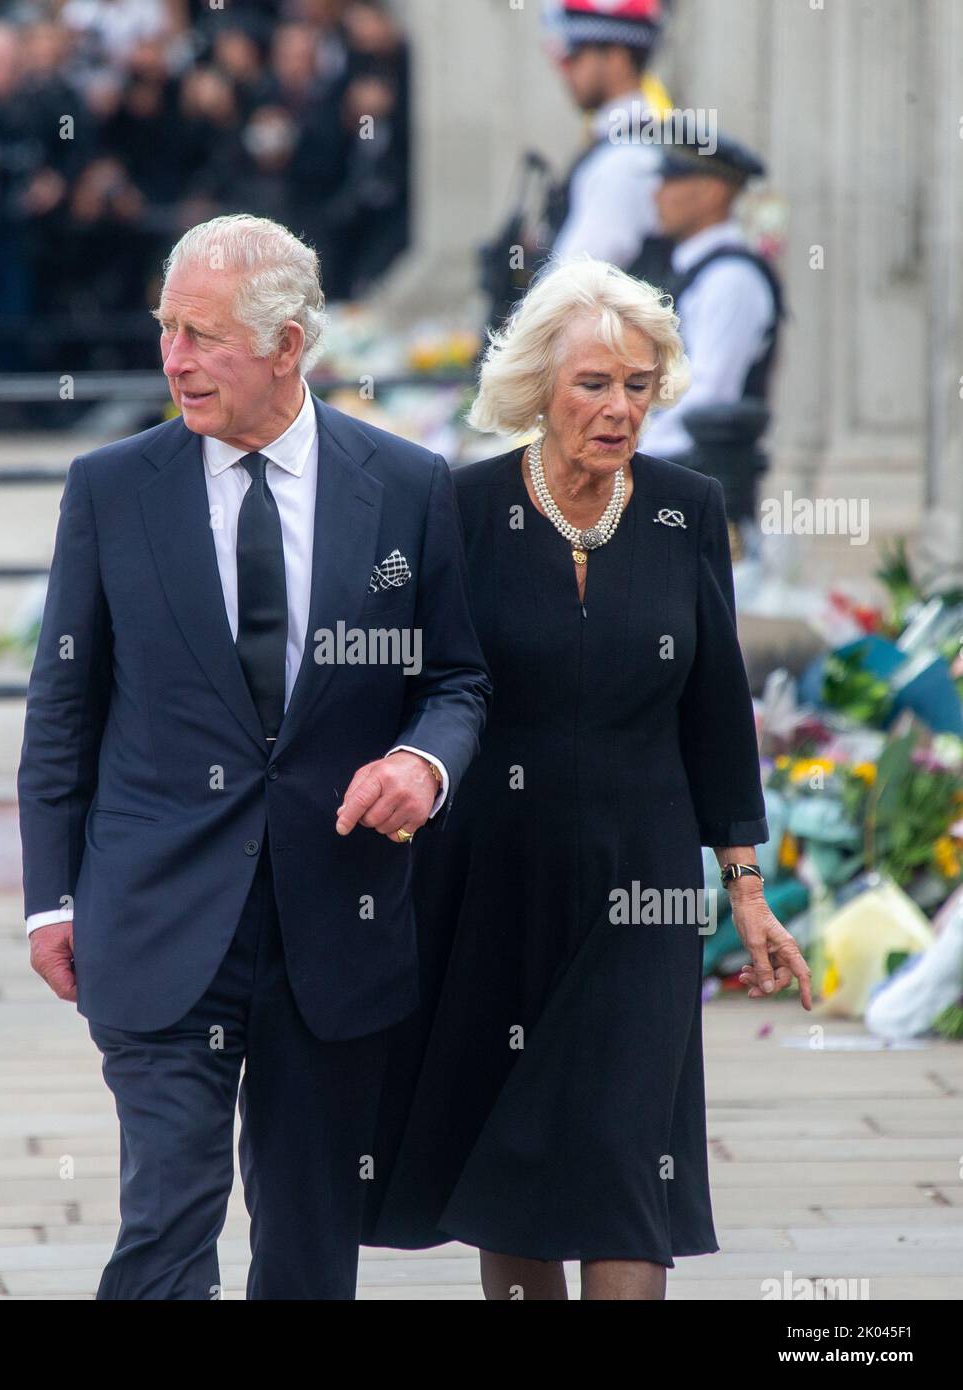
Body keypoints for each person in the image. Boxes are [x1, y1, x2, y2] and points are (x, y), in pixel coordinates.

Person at [17, 213, 491, 1301]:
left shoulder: (408, 485)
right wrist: (49, 899)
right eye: (168, 329)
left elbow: (457, 681)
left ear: (290, 346)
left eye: (206, 334)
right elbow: (63, 709)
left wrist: (424, 760)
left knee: (310, 1242)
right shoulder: (113, 489)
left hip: (336, 919)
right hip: (158, 912)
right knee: (165, 1225)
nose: (175, 358)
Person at [363, 257, 812, 1300]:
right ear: (539, 390)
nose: (618, 409)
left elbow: (713, 713)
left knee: (622, 1158)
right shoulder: (460, 509)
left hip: (644, 882)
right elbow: (414, 687)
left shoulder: (687, 509)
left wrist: (745, 885)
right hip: (492, 880)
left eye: (638, 386)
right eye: (594, 385)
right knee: (510, 1155)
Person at [638, 134, 785, 464]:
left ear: (712, 192)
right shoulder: (692, 271)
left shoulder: (731, 278)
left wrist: (627, 454)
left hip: (694, 476)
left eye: (670, 180)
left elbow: (709, 395)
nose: (656, 194)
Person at [544, 0, 673, 279]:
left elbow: (569, 284)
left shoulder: (625, 160)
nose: (564, 71)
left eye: (574, 56)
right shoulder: (620, 144)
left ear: (617, 59)